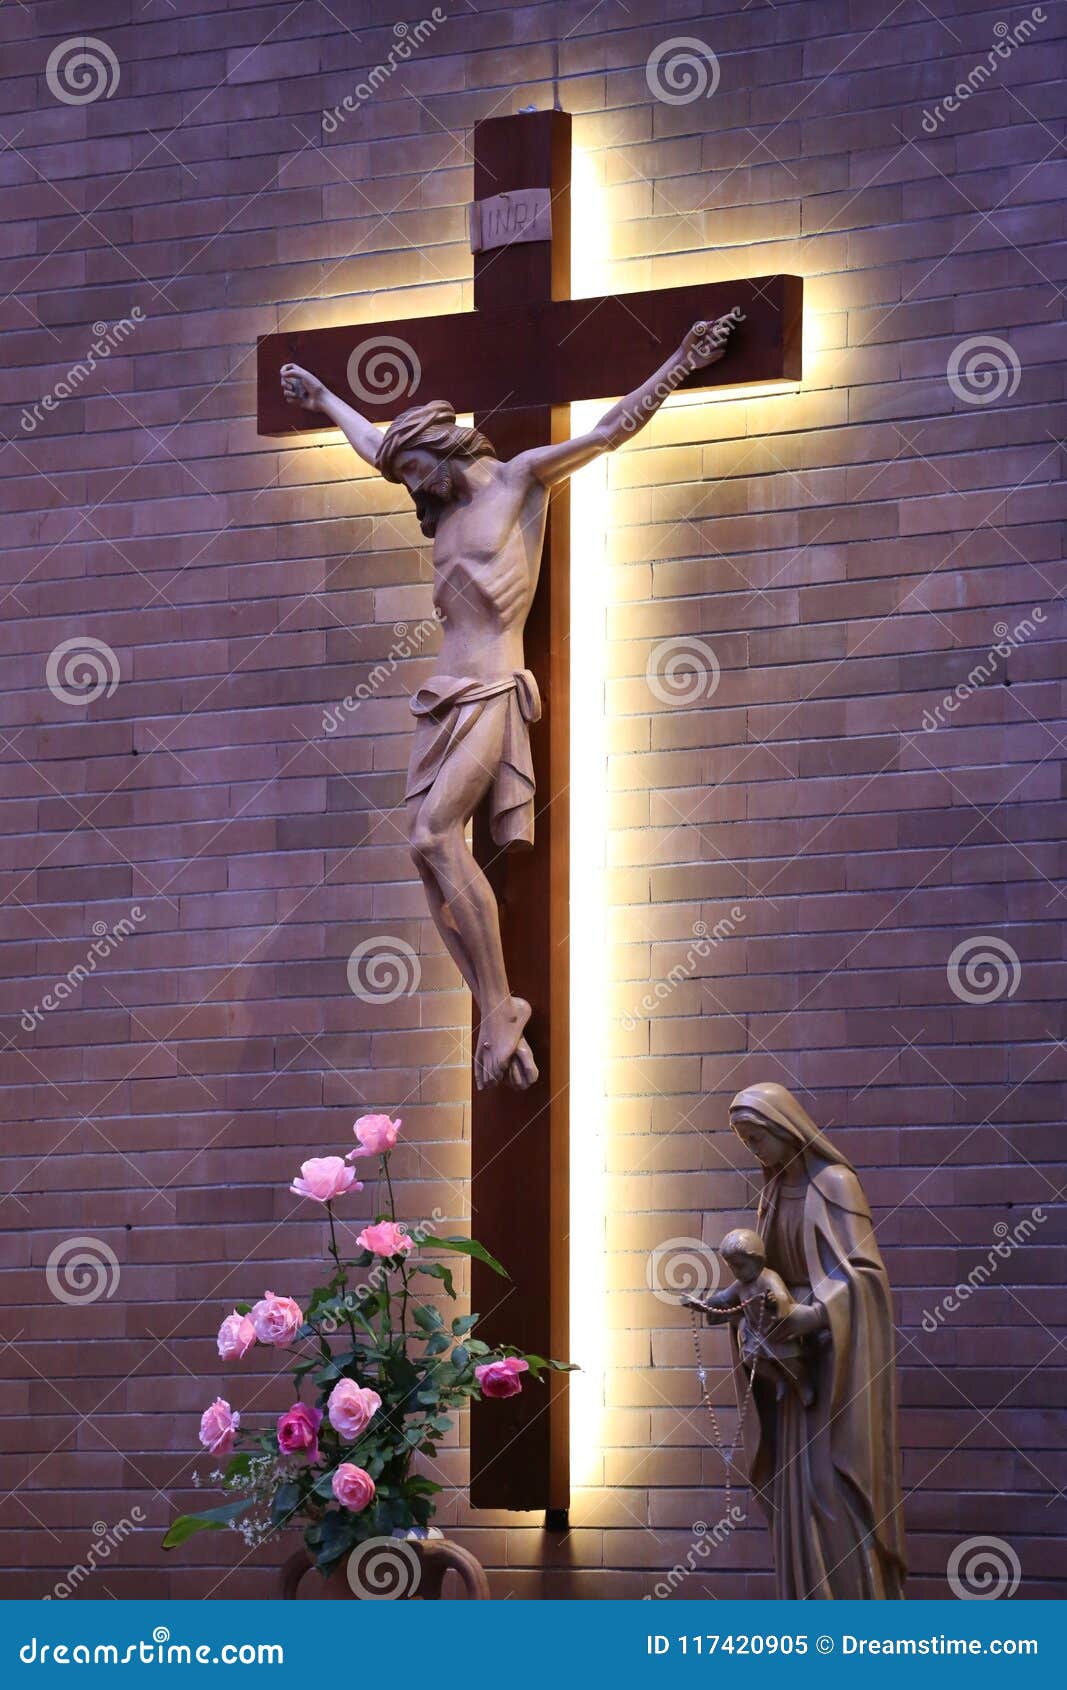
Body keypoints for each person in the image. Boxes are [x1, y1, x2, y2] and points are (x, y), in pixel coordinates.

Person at [280, 309, 741, 1089]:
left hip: (493, 684)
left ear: (441, 448)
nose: (407, 488)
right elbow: (374, 449)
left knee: (431, 839)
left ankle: (499, 1006)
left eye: (413, 471)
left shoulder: (521, 478)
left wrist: (679, 362)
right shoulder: (439, 505)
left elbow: (604, 436)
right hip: (441, 696)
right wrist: (324, 397)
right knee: (422, 852)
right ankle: (492, 1004)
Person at [716, 1081, 908, 1599]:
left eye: (758, 1138)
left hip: (834, 1362)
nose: (753, 1150)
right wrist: (738, 1308)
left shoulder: (837, 1184)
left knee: (831, 1488)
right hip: (786, 1359)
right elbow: (760, 1274)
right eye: (745, 1141)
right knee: (793, 1494)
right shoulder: (773, 1190)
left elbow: (865, 1277)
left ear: (786, 1128)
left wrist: (814, 1315)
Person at [687, 1227, 814, 1407]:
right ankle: (778, 1380)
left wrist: (775, 1300)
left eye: (740, 1266)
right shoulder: (740, 1285)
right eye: (732, 1268)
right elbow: (723, 1298)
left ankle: (801, 1384)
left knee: (789, 1361)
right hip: (756, 1332)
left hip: (777, 1330)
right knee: (750, 1359)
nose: (737, 1272)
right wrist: (701, 1304)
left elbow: (782, 1296)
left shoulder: (768, 1277)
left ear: (757, 1259)